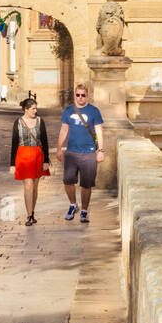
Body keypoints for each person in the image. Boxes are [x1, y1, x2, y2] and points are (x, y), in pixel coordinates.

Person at [56, 83, 104, 224]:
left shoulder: (94, 111)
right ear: (75, 95)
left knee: (86, 184)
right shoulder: (68, 111)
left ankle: (84, 210)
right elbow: (64, 130)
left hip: (89, 153)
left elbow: (99, 131)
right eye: (78, 95)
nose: (80, 97)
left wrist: (100, 151)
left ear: (87, 96)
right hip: (71, 152)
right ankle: (73, 205)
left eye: (83, 95)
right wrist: (59, 148)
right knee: (68, 181)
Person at [9, 96, 50, 226]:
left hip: (38, 155)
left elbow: (45, 141)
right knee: (28, 185)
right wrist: (12, 164)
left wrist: (46, 160)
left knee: (35, 186)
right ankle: (29, 215)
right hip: (23, 156)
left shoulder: (40, 121)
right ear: (25, 109)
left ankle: (32, 211)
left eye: (36, 108)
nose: (35, 111)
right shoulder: (18, 122)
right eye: (33, 109)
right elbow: (14, 143)